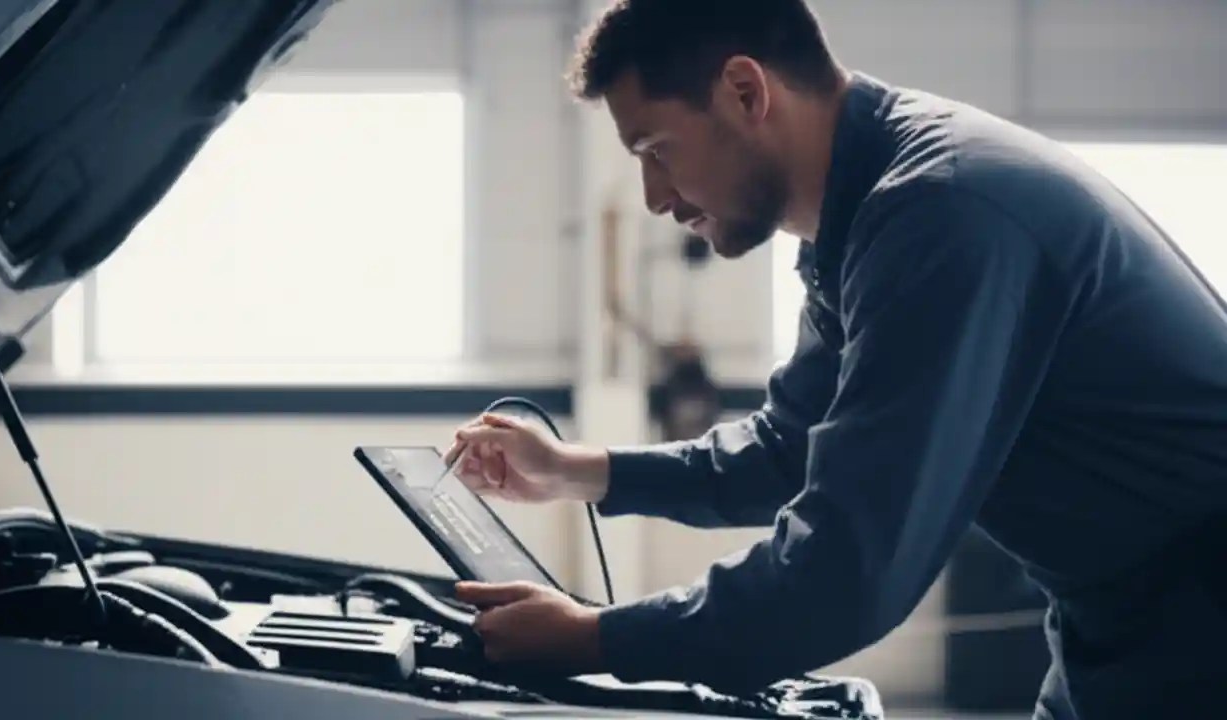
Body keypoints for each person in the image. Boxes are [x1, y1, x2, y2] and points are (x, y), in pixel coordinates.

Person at [445, 1, 1227, 718]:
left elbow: (848, 572)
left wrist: (599, 639)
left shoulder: (944, 215)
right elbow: (791, 452)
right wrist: (578, 470)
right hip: (1122, 634)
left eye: (656, 150)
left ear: (746, 92)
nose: (653, 196)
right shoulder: (866, 217)